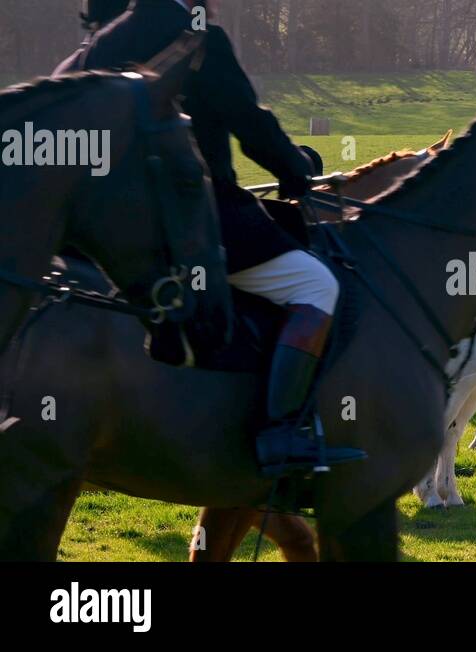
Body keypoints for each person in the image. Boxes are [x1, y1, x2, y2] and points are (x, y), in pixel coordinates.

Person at [55, 0, 361, 477]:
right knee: (316, 286)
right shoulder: (197, 38)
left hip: (101, 231)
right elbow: (249, 122)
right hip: (193, 221)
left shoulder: (102, 41)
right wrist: (296, 172)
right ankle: (280, 432)